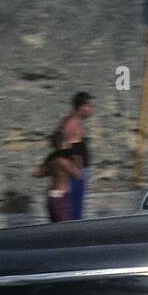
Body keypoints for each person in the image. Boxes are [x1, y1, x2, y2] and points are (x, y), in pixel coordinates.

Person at [54, 91, 94, 220]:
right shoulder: (71, 123)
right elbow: (64, 148)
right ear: (82, 107)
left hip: (79, 171)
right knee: (74, 208)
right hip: (76, 172)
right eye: (89, 106)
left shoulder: (76, 122)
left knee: (77, 207)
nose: (91, 109)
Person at [34, 145, 79, 223]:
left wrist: (52, 171)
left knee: (54, 224)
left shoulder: (51, 160)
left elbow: (37, 174)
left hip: (51, 195)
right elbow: (77, 175)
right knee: (64, 225)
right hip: (61, 195)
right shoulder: (64, 161)